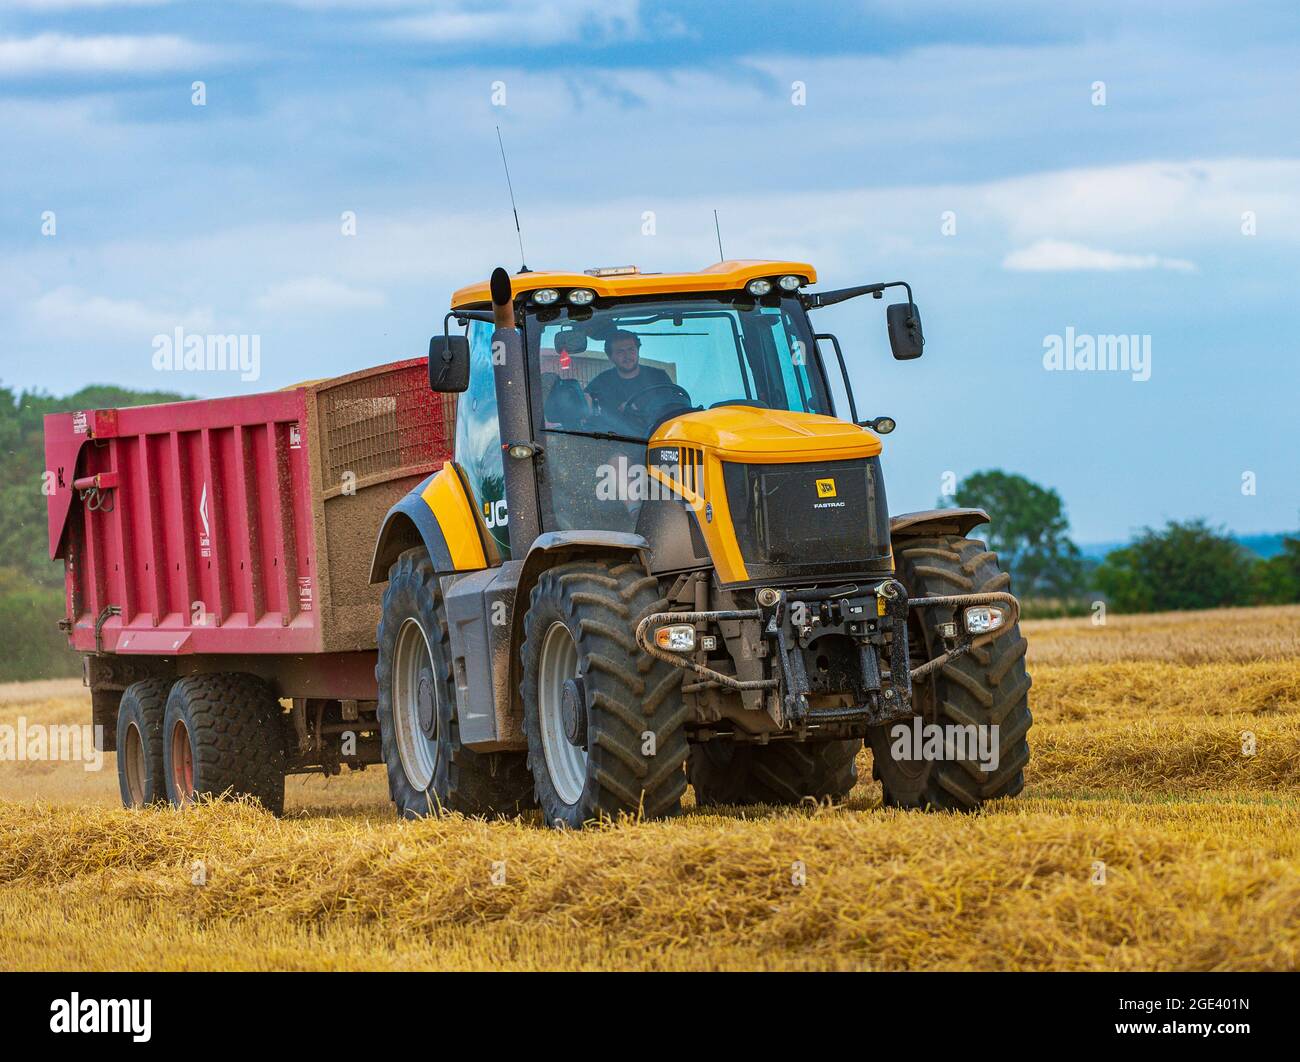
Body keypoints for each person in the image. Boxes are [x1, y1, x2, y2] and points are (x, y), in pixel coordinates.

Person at [585, 329, 674, 415]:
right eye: (620, 352)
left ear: (638, 351)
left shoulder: (659, 377)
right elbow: (583, 406)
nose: (627, 356)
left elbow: (673, 408)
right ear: (610, 357)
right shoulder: (601, 383)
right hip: (614, 426)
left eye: (631, 350)